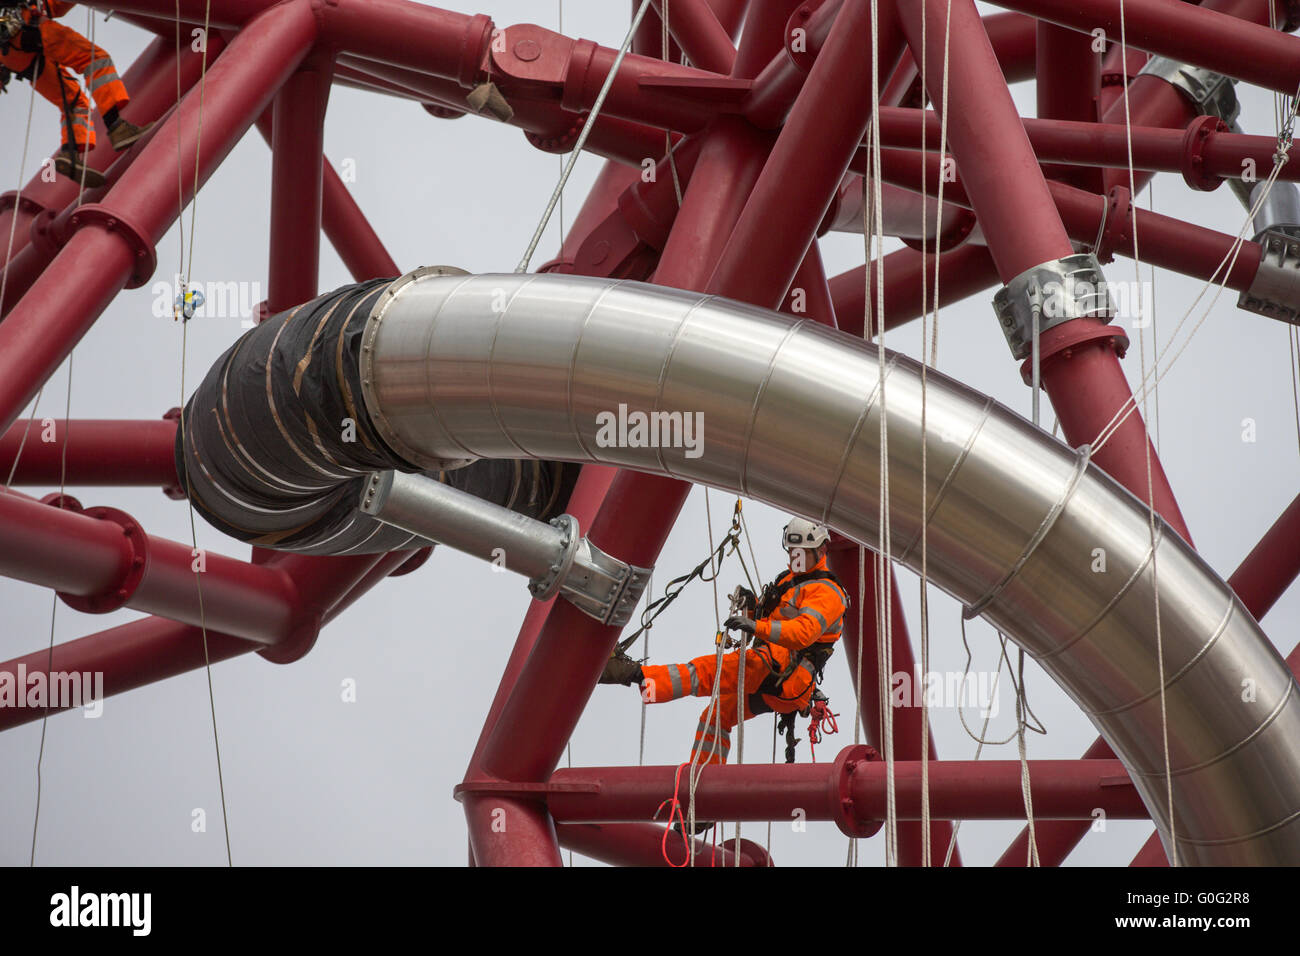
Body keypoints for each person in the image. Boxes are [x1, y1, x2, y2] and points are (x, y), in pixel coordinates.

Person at [600, 517, 848, 773]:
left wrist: (756, 627)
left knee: (705, 672)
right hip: (775, 678)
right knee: (715, 716)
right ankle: (704, 784)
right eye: (793, 552)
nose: (796, 558)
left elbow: (803, 633)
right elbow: (772, 623)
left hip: (782, 675)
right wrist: (753, 610)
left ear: (821, 550)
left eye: (802, 553)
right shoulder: (789, 581)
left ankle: (634, 676)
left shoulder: (827, 592)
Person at [0, 2, 151, 186]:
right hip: (27, 28)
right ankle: (117, 126)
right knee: (95, 59)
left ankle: (70, 153)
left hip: (13, 56)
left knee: (74, 101)